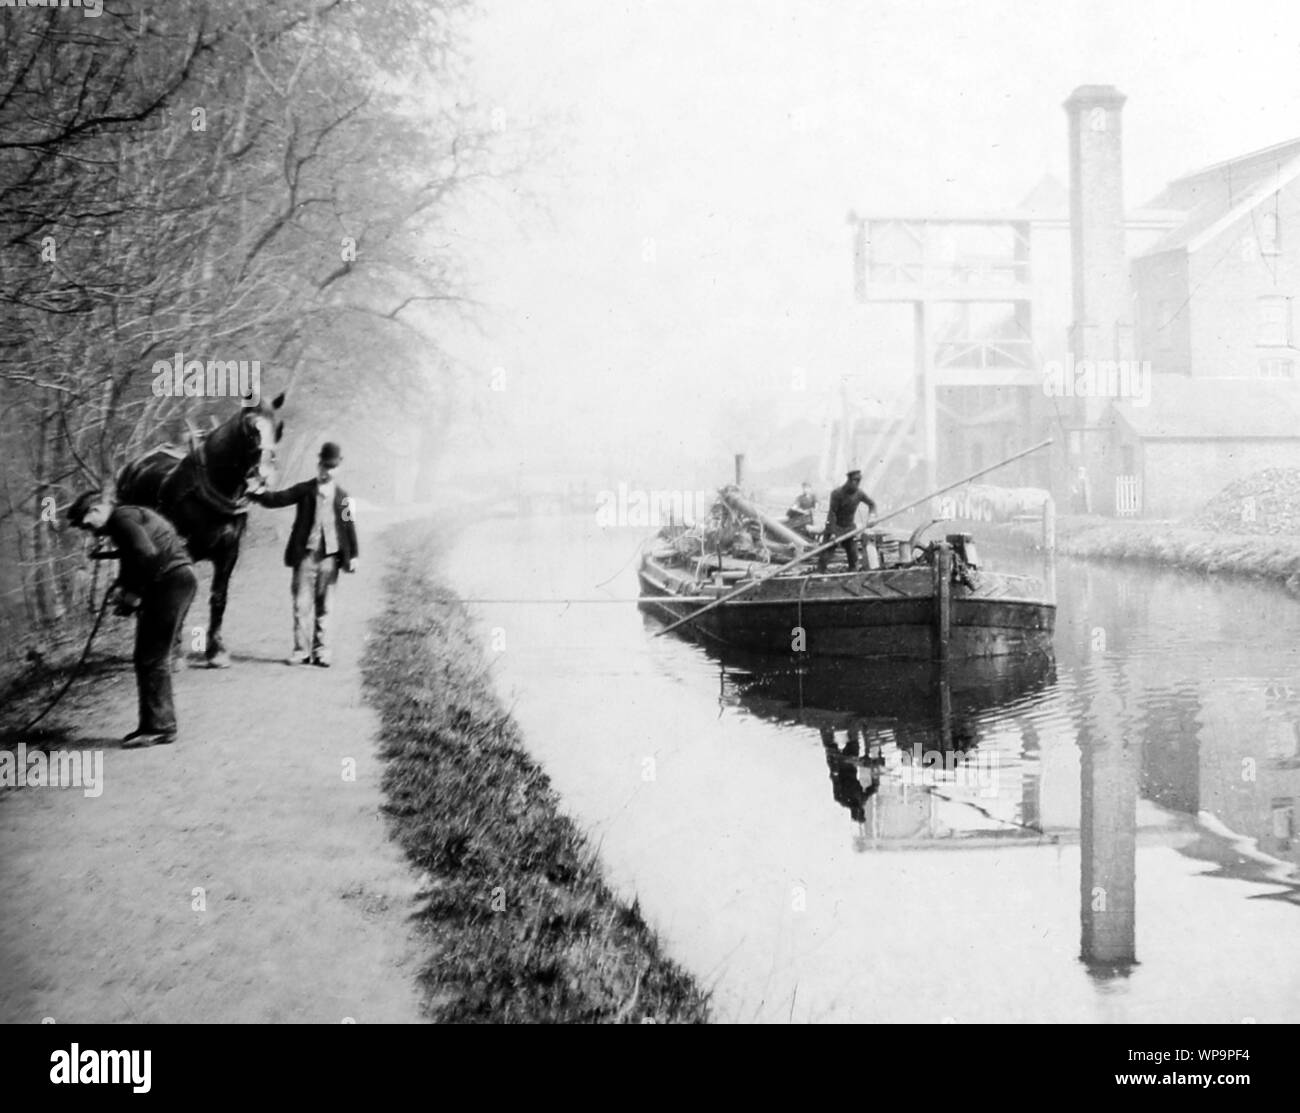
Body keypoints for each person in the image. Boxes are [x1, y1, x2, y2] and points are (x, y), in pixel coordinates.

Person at [67, 490, 198, 748]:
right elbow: (135, 558)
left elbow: (144, 552)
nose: (90, 531)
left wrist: (133, 593)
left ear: (96, 510)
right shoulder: (127, 517)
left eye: (87, 523)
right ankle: (152, 725)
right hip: (174, 580)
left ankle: (161, 728)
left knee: (152, 655)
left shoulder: (121, 519)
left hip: (171, 583)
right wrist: (125, 588)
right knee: (146, 655)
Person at [247, 441, 358, 667]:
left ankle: (322, 652)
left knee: (325, 607)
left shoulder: (344, 498)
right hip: (305, 557)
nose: (327, 471)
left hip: (330, 559)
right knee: (301, 605)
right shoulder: (305, 490)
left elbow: (349, 527)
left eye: (332, 467)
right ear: (318, 465)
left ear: (339, 467)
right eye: (324, 466)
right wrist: (257, 492)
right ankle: (301, 651)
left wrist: (353, 555)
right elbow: (278, 499)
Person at [817, 468, 877, 572]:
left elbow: (872, 504)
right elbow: (832, 513)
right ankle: (819, 575)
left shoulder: (859, 494)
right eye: (855, 480)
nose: (857, 483)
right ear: (848, 480)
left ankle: (851, 576)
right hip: (835, 527)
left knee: (853, 557)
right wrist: (832, 533)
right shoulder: (837, 493)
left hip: (849, 529)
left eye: (859, 481)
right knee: (825, 556)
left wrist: (871, 516)